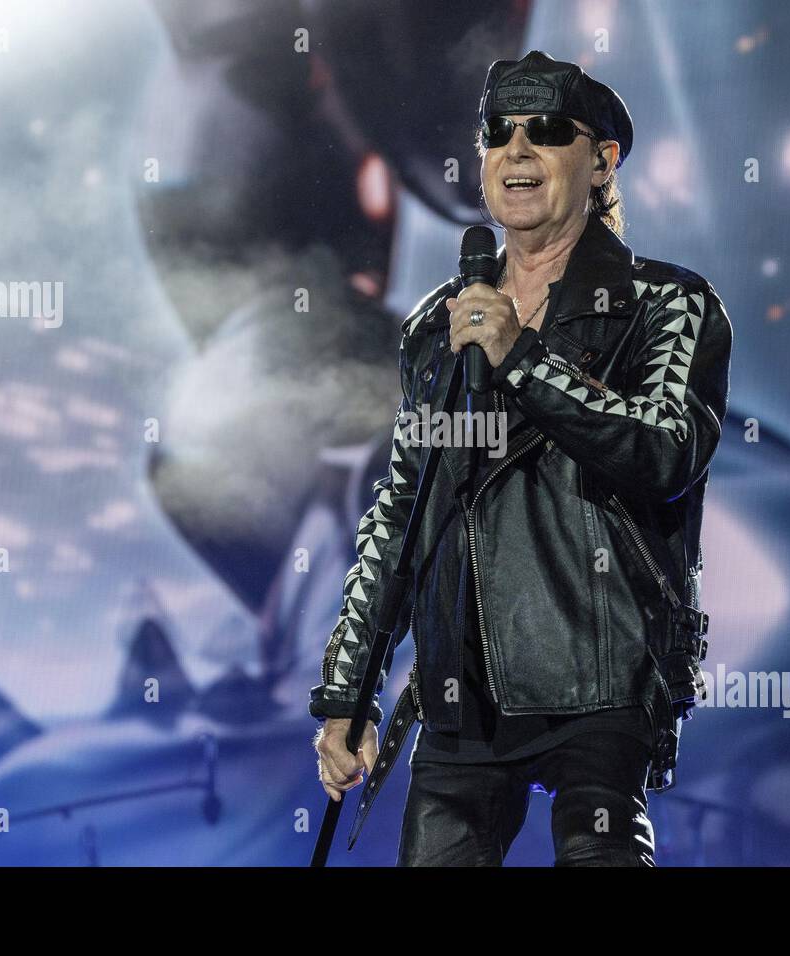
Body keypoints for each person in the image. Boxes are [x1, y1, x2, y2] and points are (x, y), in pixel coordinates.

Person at [310, 50, 732, 866]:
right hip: (459, 685)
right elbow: (404, 509)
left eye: (547, 132)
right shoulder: (439, 325)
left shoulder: (668, 304)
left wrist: (524, 360)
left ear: (602, 160)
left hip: (602, 668)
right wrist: (349, 690)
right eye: (498, 134)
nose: (517, 151)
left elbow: (665, 450)